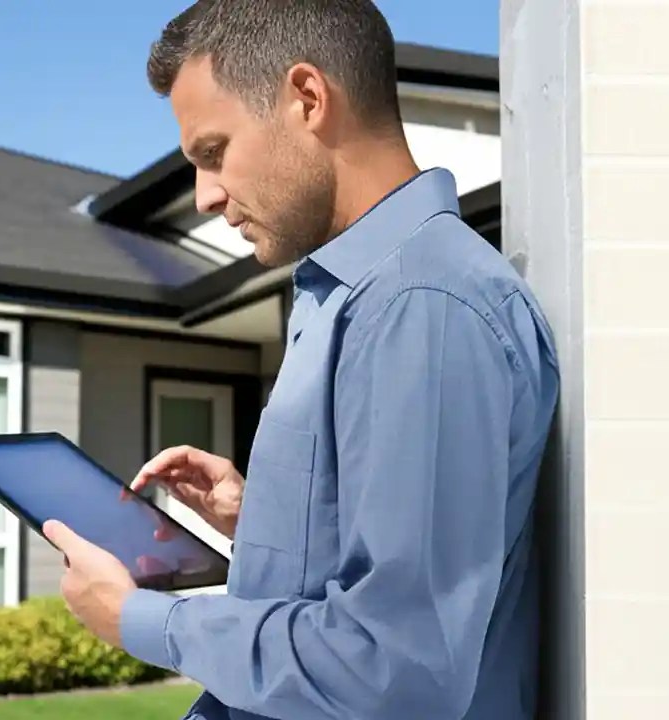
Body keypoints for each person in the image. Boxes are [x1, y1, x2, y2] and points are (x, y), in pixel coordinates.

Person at [41, 1, 561, 718]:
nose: (205, 196)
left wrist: (140, 620)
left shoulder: (423, 306)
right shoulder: (362, 295)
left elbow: (393, 667)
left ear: (308, 99)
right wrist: (265, 518)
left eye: (214, 152)